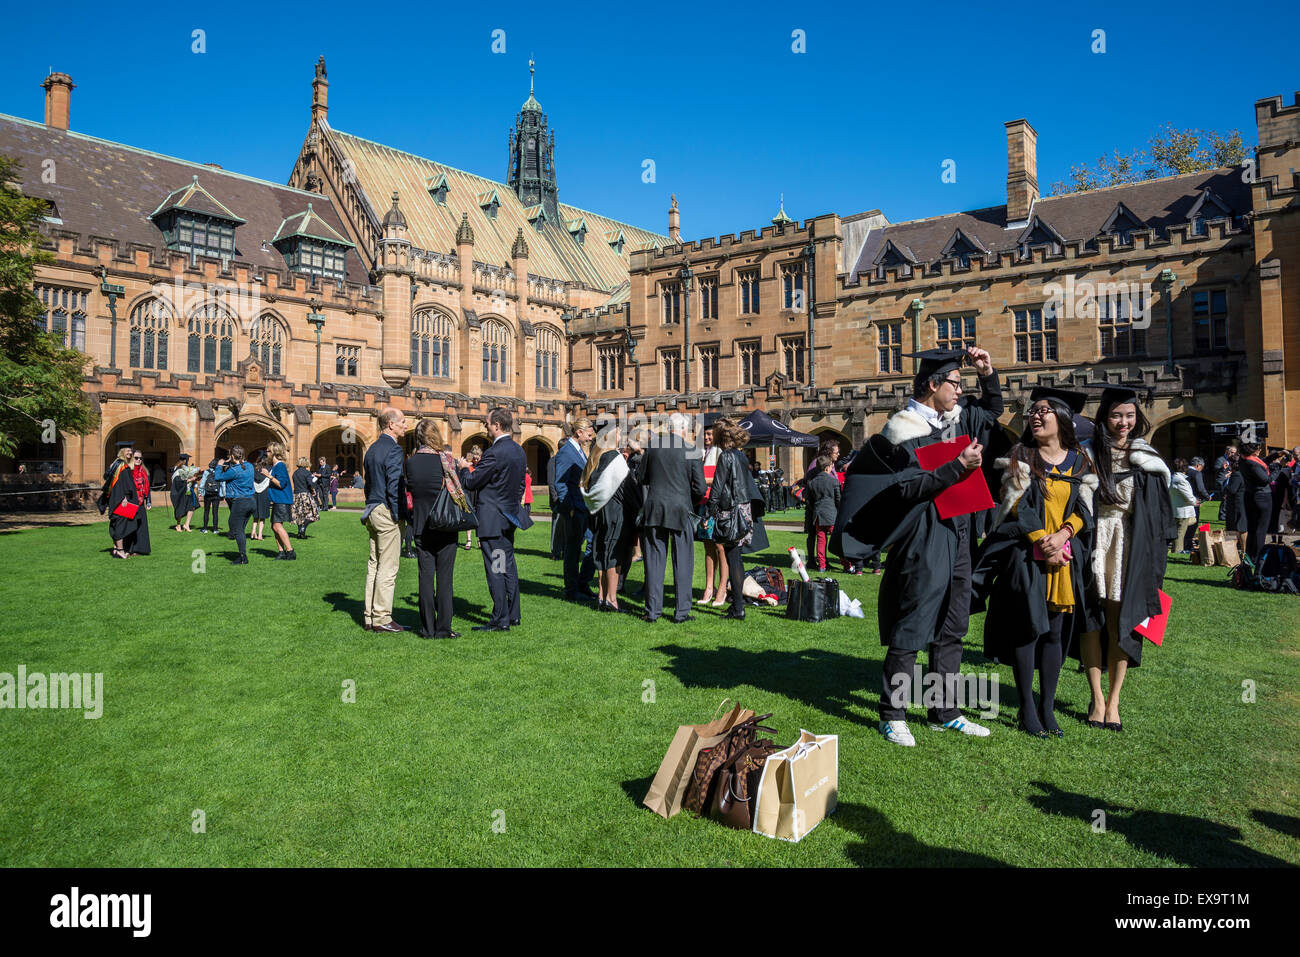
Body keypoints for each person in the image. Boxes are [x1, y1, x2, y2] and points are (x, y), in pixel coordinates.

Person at [835, 346, 1003, 747]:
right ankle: (891, 714)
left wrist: (987, 372)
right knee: (913, 625)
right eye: (955, 384)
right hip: (924, 536)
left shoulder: (960, 421)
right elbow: (905, 488)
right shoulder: (901, 430)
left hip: (960, 531)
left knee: (953, 624)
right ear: (933, 384)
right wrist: (955, 469)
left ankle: (944, 711)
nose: (960, 392)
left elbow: (993, 411)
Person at [972, 387, 1098, 738]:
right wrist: (1045, 539)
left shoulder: (1080, 461)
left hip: (1063, 557)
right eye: (1033, 411)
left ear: (1062, 418)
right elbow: (1016, 506)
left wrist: (1063, 537)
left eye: (1044, 411)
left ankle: (1047, 707)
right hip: (1027, 555)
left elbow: (1085, 509)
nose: (1036, 416)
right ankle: (1027, 707)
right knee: (1029, 629)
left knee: (1055, 633)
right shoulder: (1021, 455)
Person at [1077, 387, 1173, 732]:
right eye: (1117, 415)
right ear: (1104, 417)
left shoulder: (1145, 458)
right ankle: (1096, 698)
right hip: (1090, 540)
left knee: (1120, 620)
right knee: (1090, 619)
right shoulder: (1086, 454)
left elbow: (1161, 516)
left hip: (1128, 543)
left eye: (1130, 416)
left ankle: (1114, 701)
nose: (1124, 423)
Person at [458, 407, 533, 631]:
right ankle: (513, 614)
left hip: (493, 520)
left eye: (488, 423)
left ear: (497, 425)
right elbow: (520, 486)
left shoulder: (494, 452)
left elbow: (472, 481)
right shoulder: (519, 451)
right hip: (509, 517)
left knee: (497, 569)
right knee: (507, 566)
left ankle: (500, 619)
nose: (486, 427)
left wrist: (463, 469)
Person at [636, 412, 707, 623]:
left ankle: (652, 611)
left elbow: (641, 477)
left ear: (668, 428)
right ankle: (681, 612)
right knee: (683, 561)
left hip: (655, 507)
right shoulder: (692, 450)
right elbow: (701, 488)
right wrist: (687, 498)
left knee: (653, 561)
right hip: (680, 508)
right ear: (684, 429)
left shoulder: (653, 447)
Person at [406, 418, 462, 639]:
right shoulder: (446, 460)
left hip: (421, 526)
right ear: (436, 435)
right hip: (445, 525)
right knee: (445, 580)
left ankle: (427, 628)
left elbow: (410, 489)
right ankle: (443, 629)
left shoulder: (410, 462)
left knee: (425, 579)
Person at [709, 417, 769, 621]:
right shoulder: (741, 456)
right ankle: (737, 604)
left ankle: (738, 607)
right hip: (744, 509)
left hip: (731, 511)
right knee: (736, 558)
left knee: (733, 558)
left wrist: (709, 512)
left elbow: (717, 488)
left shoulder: (726, 456)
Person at [362, 407, 408, 633]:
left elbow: (369, 484)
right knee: (388, 568)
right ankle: (382, 618)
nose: (405, 425)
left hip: (371, 509)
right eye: (402, 422)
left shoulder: (371, 449)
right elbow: (394, 486)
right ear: (391, 424)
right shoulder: (394, 450)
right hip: (386, 511)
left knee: (374, 564)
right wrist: (397, 514)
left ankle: (370, 616)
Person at [581, 427, 632, 612]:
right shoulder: (614, 458)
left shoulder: (595, 458)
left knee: (601, 552)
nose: (621, 436)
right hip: (615, 512)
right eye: (618, 433)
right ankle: (612, 599)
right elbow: (626, 488)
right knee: (613, 554)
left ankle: (602, 597)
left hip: (598, 513)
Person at [553, 417, 597, 601]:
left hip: (583, 507)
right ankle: (571, 589)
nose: (590, 438)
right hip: (574, 509)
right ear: (579, 432)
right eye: (588, 435)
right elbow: (560, 483)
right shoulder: (566, 452)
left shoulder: (579, 450)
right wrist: (569, 508)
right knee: (572, 550)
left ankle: (582, 582)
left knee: (593, 543)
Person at [697, 423, 727, 607]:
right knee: (708, 547)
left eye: (710, 434)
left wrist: (698, 480)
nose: (707, 437)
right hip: (703, 503)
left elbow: (720, 478)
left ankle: (722, 588)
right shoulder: (702, 452)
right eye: (705, 434)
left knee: (720, 547)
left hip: (716, 504)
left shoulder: (719, 452)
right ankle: (709, 587)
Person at [212, 446, 256, 565]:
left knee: (237, 530)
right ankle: (235, 536)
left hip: (240, 502)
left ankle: (242, 557)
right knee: (237, 528)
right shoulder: (250, 466)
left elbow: (218, 477)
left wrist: (220, 465)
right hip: (251, 501)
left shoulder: (234, 470)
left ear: (232, 456)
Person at [1239, 442, 1281, 564]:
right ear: (1252, 450)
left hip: (1250, 496)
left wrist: (1276, 455)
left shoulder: (1245, 459)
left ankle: (1250, 556)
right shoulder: (1251, 464)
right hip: (1262, 497)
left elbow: (1263, 461)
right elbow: (1266, 480)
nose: (1260, 450)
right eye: (1258, 449)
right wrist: (1278, 467)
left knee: (1252, 529)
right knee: (1260, 530)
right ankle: (1258, 558)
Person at [804, 453, 841, 572]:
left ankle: (822, 565)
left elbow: (809, 500)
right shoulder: (834, 481)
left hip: (818, 515)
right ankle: (847, 564)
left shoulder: (812, 483)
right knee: (837, 540)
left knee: (821, 541)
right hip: (831, 515)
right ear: (827, 468)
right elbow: (838, 500)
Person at [258, 447, 296, 560]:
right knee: (274, 527)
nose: (266, 453)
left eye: (268, 451)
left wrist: (268, 475)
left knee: (277, 526)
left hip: (282, 500)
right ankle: (281, 552)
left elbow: (281, 484)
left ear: (275, 453)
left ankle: (290, 551)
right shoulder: (276, 466)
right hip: (278, 500)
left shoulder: (280, 466)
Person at [104, 444, 141, 559]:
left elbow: (106, 478)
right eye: (128, 451)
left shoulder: (115, 464)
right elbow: (124, 485)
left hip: (114, 498)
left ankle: (116, 548)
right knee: (121, 524)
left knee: (115, 522)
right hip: (121, 500)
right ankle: (120, 550)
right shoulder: (123, 466)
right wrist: (124, 497)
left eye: (131, 451)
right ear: (122, 451)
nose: (130, 453)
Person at [1169, 458, 1199, 556]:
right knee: (1180, 532)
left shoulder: (1173, 477)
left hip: (1176, 508)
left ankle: (1177, 548)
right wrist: (1195, 501)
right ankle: (1177, 551)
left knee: (1181, 529)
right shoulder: (1180, 480)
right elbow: (1188, 495)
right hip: (1182, 510)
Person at [1220, 459, 1249, 552]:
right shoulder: (1242, 474)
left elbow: (1232, 490)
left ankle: (1234, 550)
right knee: (1236, 526)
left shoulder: (1236, 475)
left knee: (1236, 527)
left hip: (1236, 505)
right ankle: (1236, 550)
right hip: (1239, 504)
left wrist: (1226, 479)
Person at [128, 450, 152, 555]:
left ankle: (139, 549)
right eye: (136, 458)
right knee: (130, 526)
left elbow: (147, 487)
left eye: (140, 458)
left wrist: (149, 502)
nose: (138, 460)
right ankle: (128, 548)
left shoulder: (145, 472)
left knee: (140, 526)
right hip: (131, 501)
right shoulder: (128, 471)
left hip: (141, 502)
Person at [290, 457, 319, 540]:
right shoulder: (307, 473)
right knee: (313, 514)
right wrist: (315, 480)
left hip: (296, 495)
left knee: (299, 515)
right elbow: (311, 484)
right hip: (305, 495)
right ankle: (303, 528)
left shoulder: (295, 473)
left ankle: (300, 532)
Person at [462, 445, 483, 552]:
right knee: (470, 516)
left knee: (479, 516)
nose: (475, 460)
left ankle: (479, 539)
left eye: (477, 458)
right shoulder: (468, 466)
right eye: (474, 458)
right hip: (470, 494)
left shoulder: (482, 466)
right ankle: (469, 540)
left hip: (479, 494)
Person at [171, 453, 196, 532]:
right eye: (187, 460)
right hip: (179, 493)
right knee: (180, 508)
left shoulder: (182, 469)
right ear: (185, 461)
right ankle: (178, 525)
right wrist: (190, 479)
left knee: (191, 506)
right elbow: (178, 482)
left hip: (187, 491)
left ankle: (186, 525)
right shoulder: (178, 470)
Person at [250, 455, 271, 542]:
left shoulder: (254, 469)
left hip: (255, 493)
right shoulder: (268, 469)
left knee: (256, 515)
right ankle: (260, 535)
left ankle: (253, 531)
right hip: (264, 494)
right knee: (262, 516)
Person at [200, 458, 222, 533]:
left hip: (208, 494)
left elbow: (202, 483)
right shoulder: (219, 472)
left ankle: (205, 528)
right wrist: (222, 494)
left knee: (206, 511)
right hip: (216, 494)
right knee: (215, 512)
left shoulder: (206, 472)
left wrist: (201, 492)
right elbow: (223, 484)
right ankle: (215, 529)